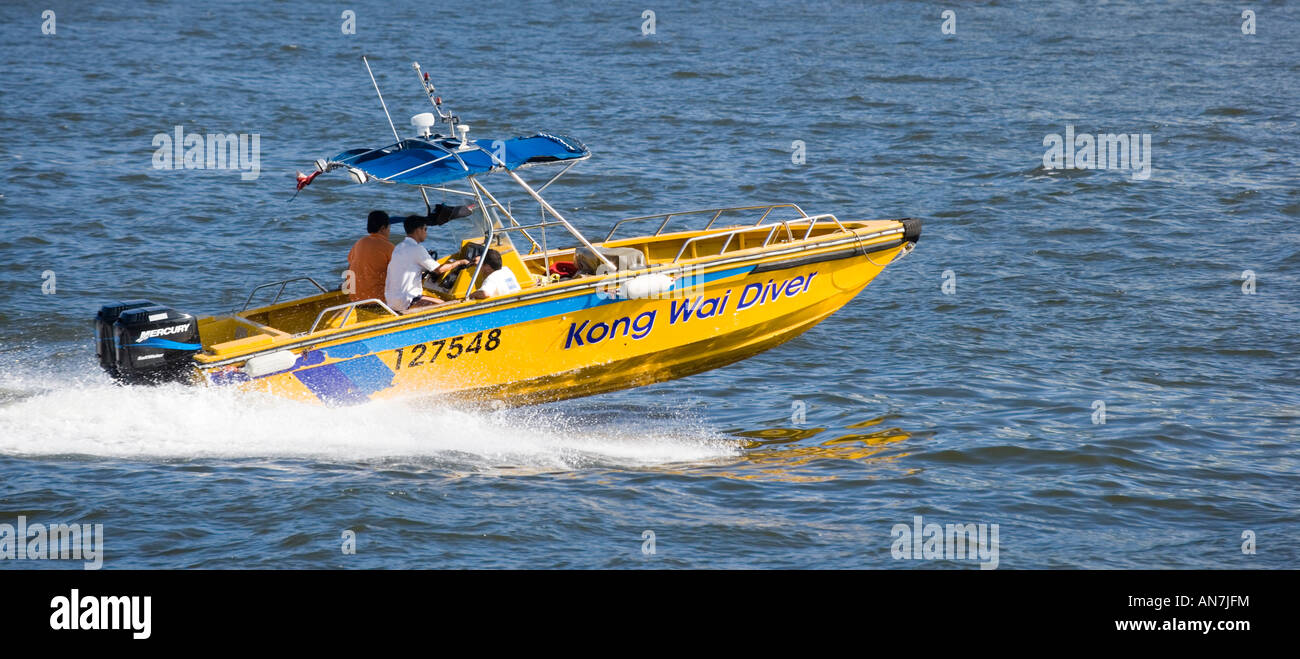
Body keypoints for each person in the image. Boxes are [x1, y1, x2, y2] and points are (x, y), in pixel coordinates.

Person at [385, 216, 469, 313]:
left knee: (432, 298)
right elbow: (439, 269)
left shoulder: (399, 247)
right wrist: (460, 262)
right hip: (405, 301)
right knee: (451, 305)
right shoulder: (417, 249)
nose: (426, 233)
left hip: (392, 301)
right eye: (425, 229)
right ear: (418, 230)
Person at [346, 211, 396, 303]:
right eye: (389, 227)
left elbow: (349, 266)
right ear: (383, 228)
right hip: (378, 300)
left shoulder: (359, 242)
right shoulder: (388, 247)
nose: (390, 230)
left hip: (355, 298)